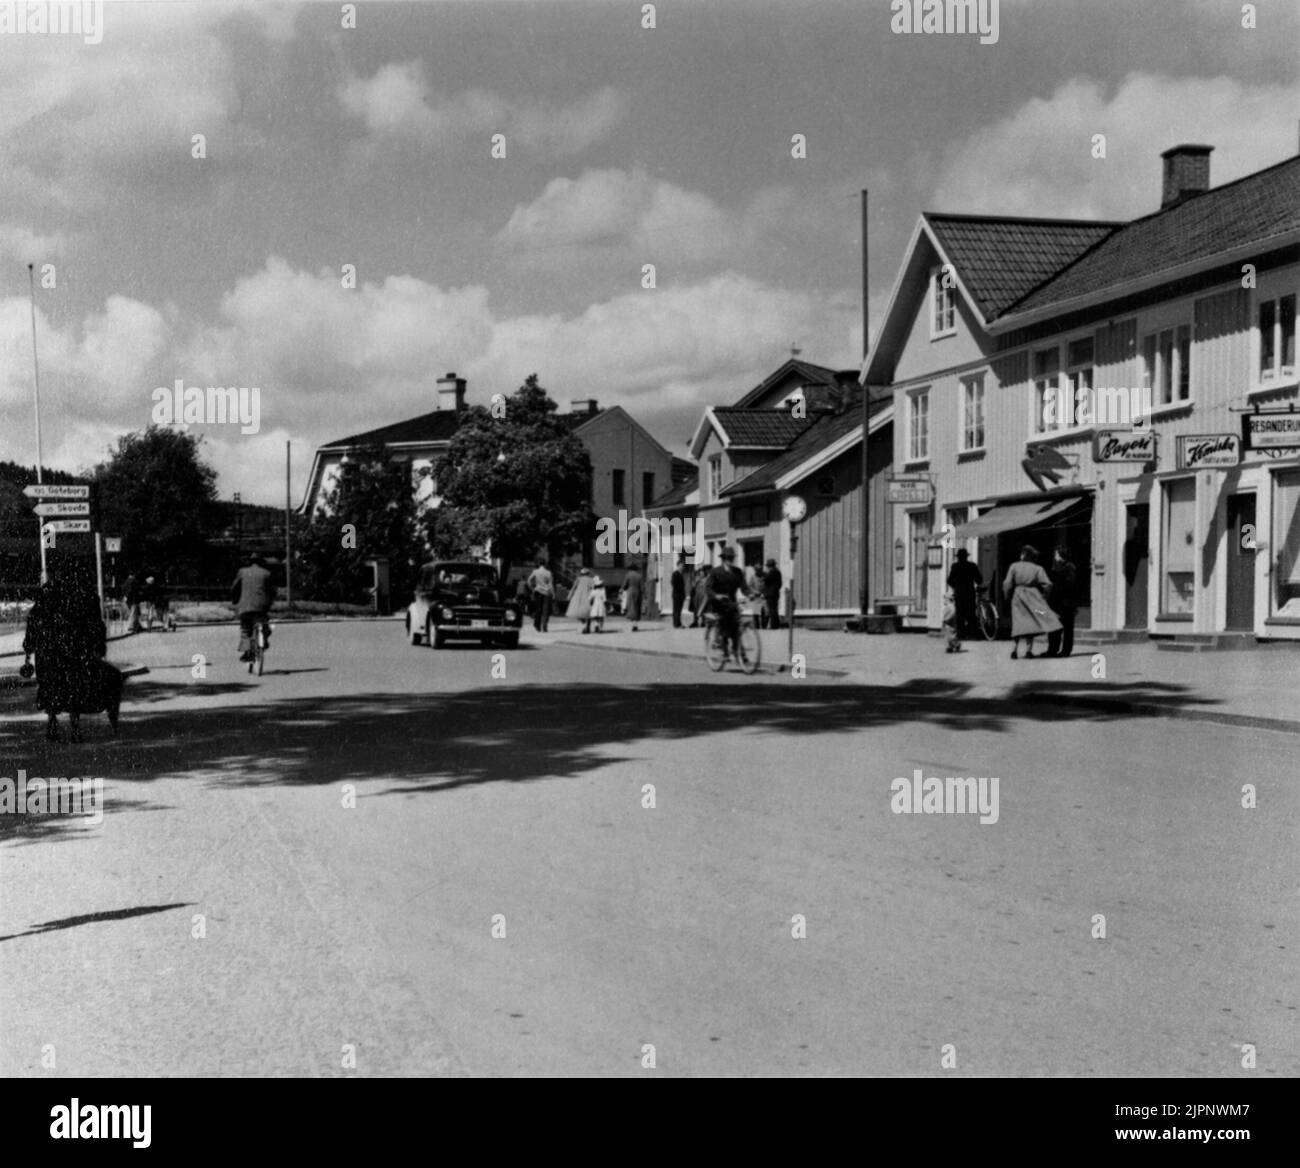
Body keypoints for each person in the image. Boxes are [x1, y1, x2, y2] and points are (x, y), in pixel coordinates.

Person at [23, 564, 107, 741]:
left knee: (49, 687)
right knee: (73, 687)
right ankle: (75, 728)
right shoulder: (77, 599)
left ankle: (52, 724)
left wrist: (28, 648)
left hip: (47, 652)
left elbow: (33, 625)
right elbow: (92, 625)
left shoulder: (42, 602)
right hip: (71, 650)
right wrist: (97, 646)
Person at [1002, 545, 1060, 660]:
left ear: (1023, 555)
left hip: (1018, 595)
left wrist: (1006, 595)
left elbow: (1007, 583)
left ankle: (1014, 650)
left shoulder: (1014, 566)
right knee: (1031, 623)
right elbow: (1048, 584)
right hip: (1033, 596)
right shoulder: (1038, 568)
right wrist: (1044, 597)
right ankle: (1029, 650)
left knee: (1018, 624)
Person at [231, 552, 275, 662]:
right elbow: (273, 591)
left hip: (245, 607)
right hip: (261, 608)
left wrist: (235, 601)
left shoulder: (242, 572)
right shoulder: (267, 573)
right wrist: (269, 603)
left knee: (246, 629)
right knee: (264, 626)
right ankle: (263, 642)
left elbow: (235, 588)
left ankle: (247, 651)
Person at [707, 546, 746, 657]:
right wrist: (716, 596)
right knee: (725, 623)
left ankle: (737, 650)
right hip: (719, 604)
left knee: (736, 625)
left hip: (732, 603)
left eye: (731, 558)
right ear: (723, 559)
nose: (729, 560)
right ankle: (724, 649)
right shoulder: (715, 572)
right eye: (727, 558)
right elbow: (708, 587)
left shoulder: (737, 572)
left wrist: (752, 593)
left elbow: (744, 587)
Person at [1046, 547, 1078, 658]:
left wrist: (1051, 600)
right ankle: (1058, 650)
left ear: (1061, 556)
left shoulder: (1065, 570)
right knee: (1063, 628)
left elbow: (1060, 588)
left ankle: (1060, 650)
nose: (1055, 557)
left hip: (1063, 603)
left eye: (1056, 555)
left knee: (1061, 628)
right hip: (1066, 603)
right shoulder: (1068, 568)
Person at [946, 549, 983, 638]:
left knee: (960, 615)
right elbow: (979, 579)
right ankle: (972, 633)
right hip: (970, 593)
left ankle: (961, 634)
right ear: (966, 557)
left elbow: (949, 580)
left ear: (958, 557)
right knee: (971, 614)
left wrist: (956, 587)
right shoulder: (972, 566)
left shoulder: (955, 566)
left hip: (959, 594)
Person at [527, 559, 554, 632]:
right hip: (546, 592)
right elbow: (550, 584)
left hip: (538, 591)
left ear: (539, 564)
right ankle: (544, 626)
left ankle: (537, 625)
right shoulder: (548, 572)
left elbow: (529, 580)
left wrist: (532, 588)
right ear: (545, 564)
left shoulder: (535, 571)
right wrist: (553, 593)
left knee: (538, 609)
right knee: (546, 610)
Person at [566, 567, 595, 633]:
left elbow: (573, 588)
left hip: (578, 597)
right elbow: (593, 588)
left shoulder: (578, 579)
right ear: (588, 573)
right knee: (588, 612)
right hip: (588, 596)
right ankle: (587, 627)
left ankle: (584, 625)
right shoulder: (591, 580)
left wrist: (569, 595)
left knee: (578, 612)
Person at [762, 558, 783, 631]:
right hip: (776, 593)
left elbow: (766, 580)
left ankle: (774, 625)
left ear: (770, 566)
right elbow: (780, 584)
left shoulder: (771, 573)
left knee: (772, 610)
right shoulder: (778, 572)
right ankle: (776, 624)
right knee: (775, 609)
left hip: (770, 594)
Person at [622, 562, 644, 631]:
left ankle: (633, 624)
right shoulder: (640, 576)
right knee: (637, 607)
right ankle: (636, 624)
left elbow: (625, 586)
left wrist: (623, 589)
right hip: (638, 593)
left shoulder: (628, 575)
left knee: (631, 607)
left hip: (630, 592)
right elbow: (642, 587)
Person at [942, 588, 962, 653]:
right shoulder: (948, 606)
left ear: (948, 600)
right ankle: (950, 647)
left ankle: (956, 645)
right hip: (948, 624)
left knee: (952, 636)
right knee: (948, 637)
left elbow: (952, 613)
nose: (944, 601)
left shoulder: (951, 606)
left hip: (951, 624)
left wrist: (947, 618)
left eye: (945, 599)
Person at [670, 557, 688, 628]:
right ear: (678, 565)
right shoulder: (675, 574)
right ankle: (676, 624)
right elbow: (673, 583)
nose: (682, 567)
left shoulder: (681, 574)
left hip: (680, 595)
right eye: (681, 566)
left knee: (679, 610)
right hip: (677, 594)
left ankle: (678, 623)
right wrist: (679, 591)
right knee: (676, 609)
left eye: (683, 566)